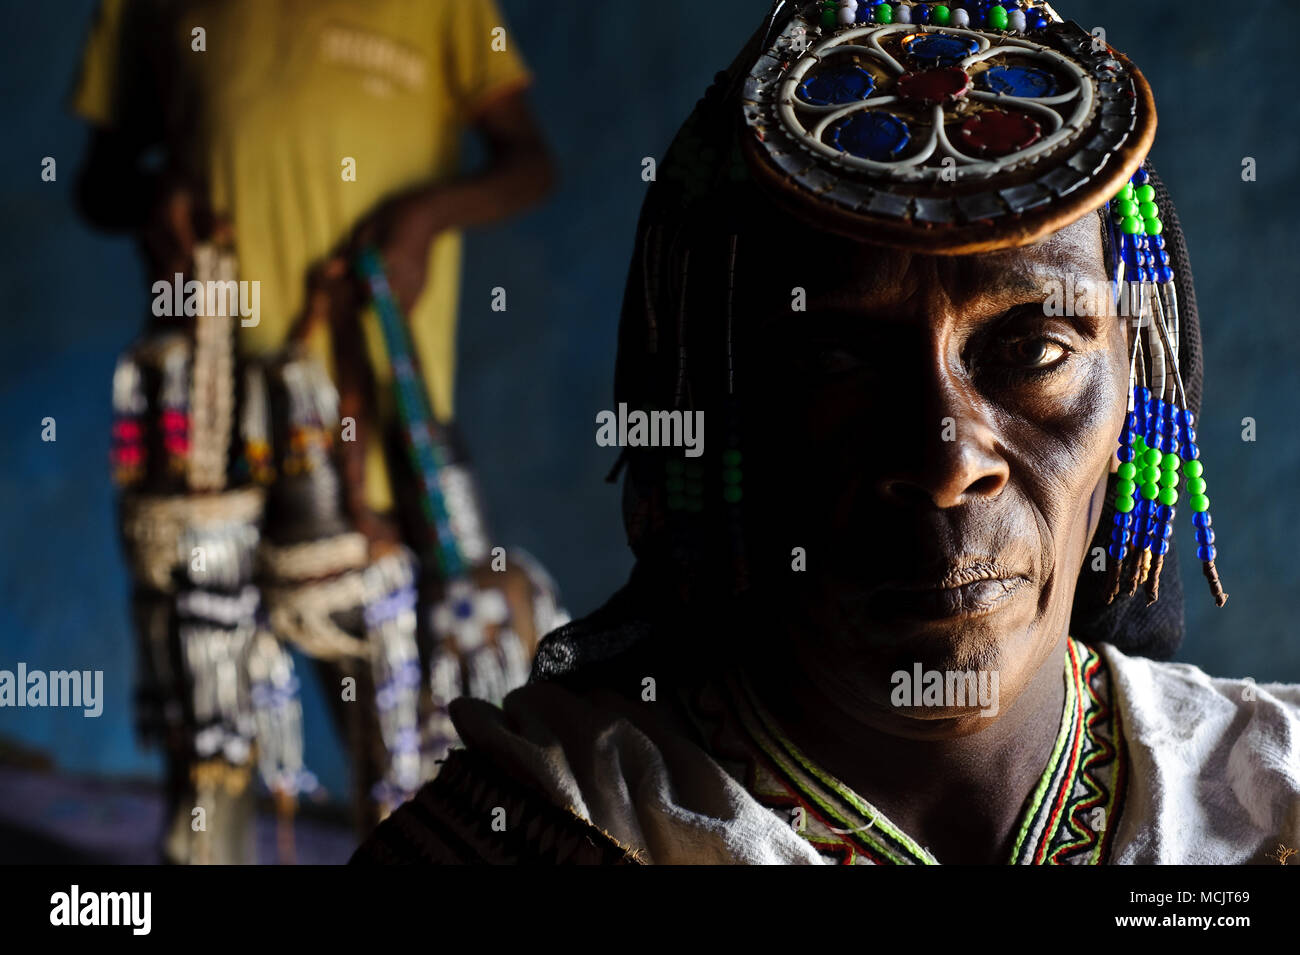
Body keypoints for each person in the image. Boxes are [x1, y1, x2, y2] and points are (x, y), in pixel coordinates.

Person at [352, 0, 1300, 865]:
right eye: (833, 363)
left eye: (1033, 351)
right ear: (713, 414)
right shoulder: (524, 843)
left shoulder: (1270, 802)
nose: (946, 458)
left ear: (1142, 386)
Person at [72, 0, 559, 862]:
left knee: (410, 769)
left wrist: (426, 217)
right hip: (202, 463)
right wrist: (158, 195)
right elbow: (98, 181)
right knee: (208, 756)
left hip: (371, 462)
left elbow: (530, 163)